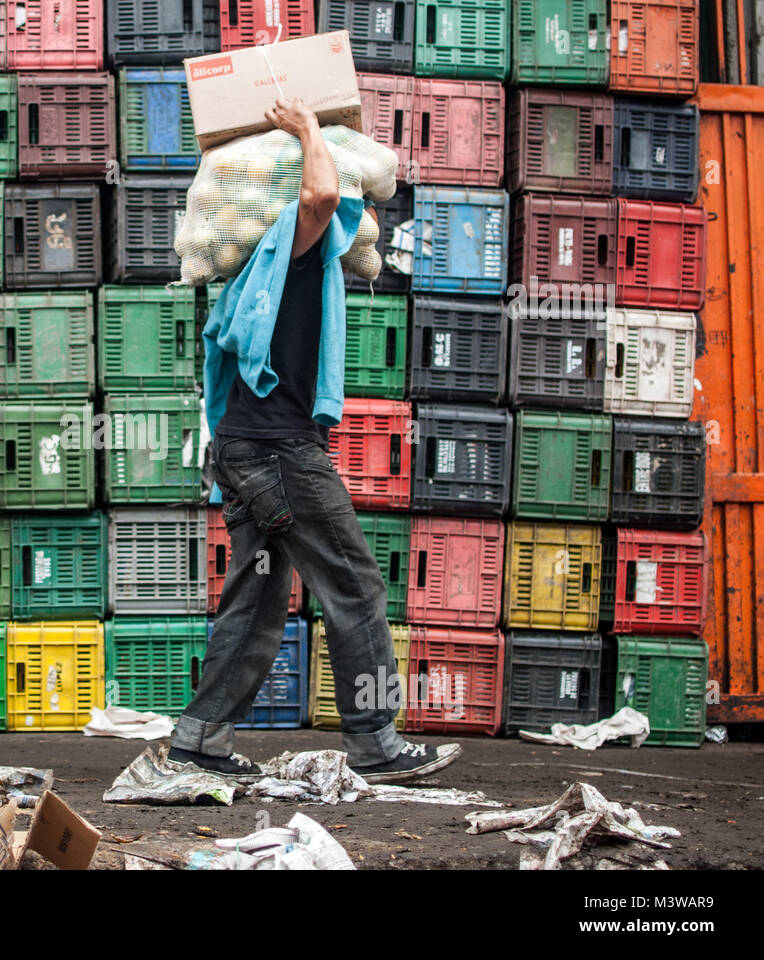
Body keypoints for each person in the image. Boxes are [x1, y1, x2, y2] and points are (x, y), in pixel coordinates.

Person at [164, 96, 463, 784]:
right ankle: (376, 744)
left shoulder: (257, 275)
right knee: (356, 588)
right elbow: (325, 192)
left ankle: (199, 739)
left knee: (259, 596)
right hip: (278, 453)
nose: (364, 222)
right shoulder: (289, 254)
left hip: (244, 451)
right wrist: (303, 128)